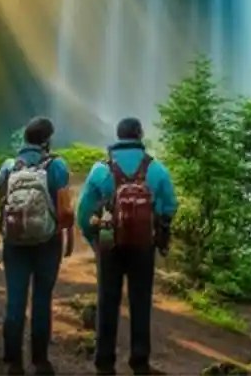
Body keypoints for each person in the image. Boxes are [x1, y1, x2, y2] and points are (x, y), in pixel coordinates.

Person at [77, 117, 178, 376]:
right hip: (143, 245)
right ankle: (139, 362)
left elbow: (83, 212)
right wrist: (157, 228)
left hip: (109, 244)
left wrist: (94, 240)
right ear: (140, 135)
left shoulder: (100, 170)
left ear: (118, 136)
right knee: (140, 301)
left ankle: (104, 363)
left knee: (107, 301)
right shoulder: (156, 169)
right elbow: (170, 206)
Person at [0, 117, 76, 376]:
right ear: (47, 140)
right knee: (42, 299)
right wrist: (67, 234)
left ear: (25, 139)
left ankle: (13, 361)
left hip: (15, 241)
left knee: (15, 299)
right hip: (48, 242)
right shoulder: (57, 166)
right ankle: (40, 361)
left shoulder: (9, 166)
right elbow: (65, 210)